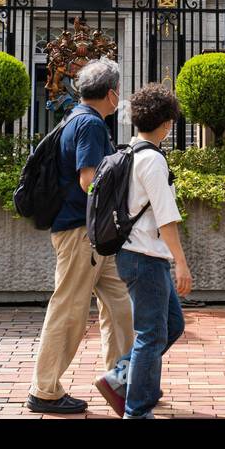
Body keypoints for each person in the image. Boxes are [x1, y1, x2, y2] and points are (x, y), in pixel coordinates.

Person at [27, 58, 133, 416]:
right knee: (69, 310)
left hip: (91, 236)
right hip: (80, 233)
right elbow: (89, 180)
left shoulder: (75, 118)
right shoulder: (89, 124)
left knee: (120, 308)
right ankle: (45, 389)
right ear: (112, 93)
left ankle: (122, 382)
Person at [93, 83, 192, 419]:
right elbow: (166, 218)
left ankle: (120, 377)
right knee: (151, 334)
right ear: (165, 123)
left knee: (172, 325)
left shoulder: (131, 153)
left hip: (136, 257)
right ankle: (137, 410)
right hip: (146, 259)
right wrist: (181, 263)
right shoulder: (152, 161)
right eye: (171, 122)